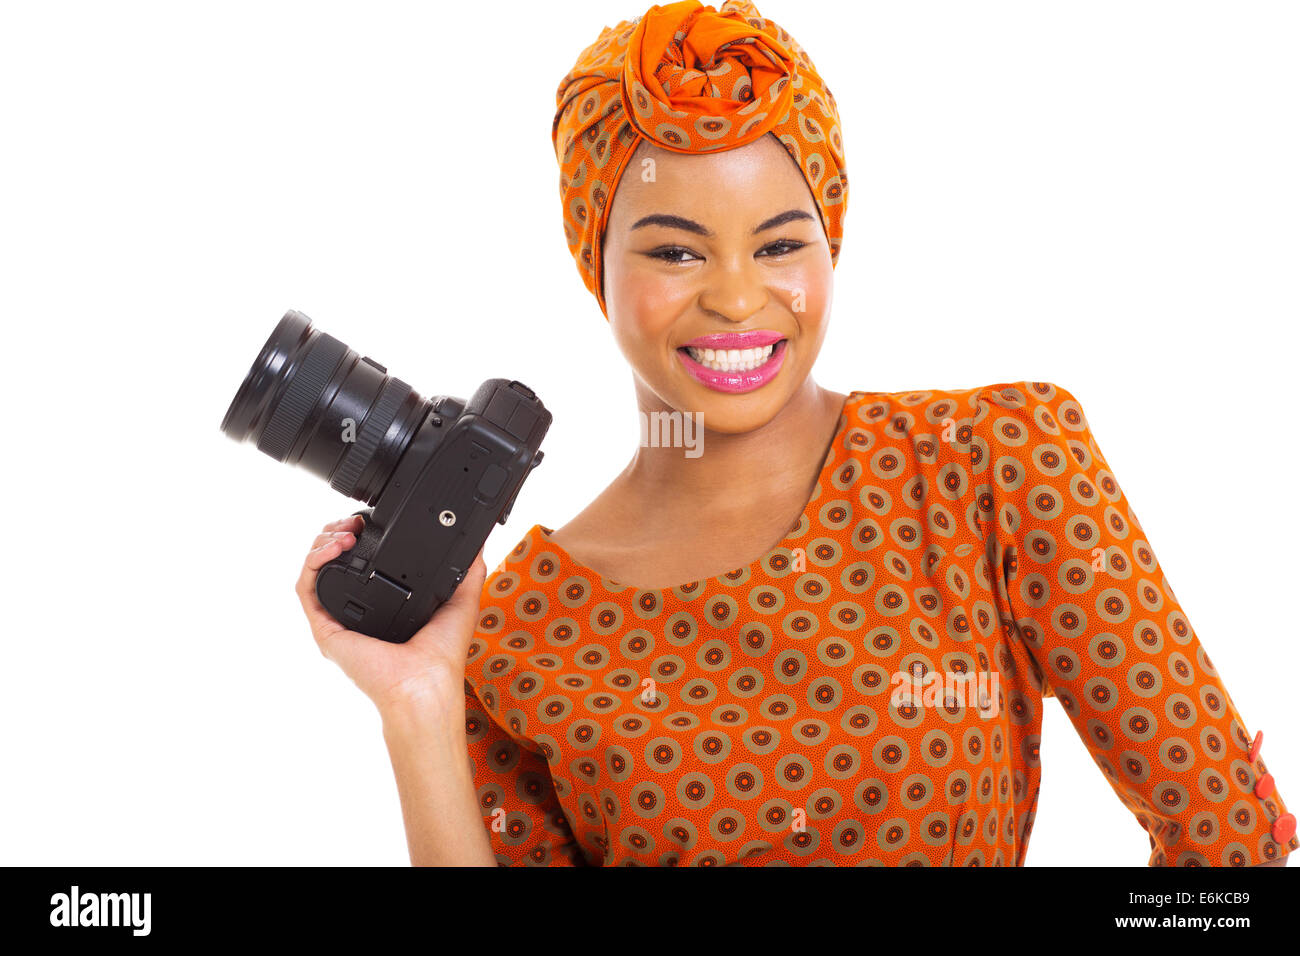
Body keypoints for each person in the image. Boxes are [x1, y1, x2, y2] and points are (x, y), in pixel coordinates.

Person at [295, 0, 1294, 866]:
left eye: (779, 243)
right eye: (675, 250)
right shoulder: (515, 630)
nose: (737, 296)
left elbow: (1224, 838)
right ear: (592, 263)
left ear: (832, 242)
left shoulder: (994, 458)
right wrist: (420, 705)